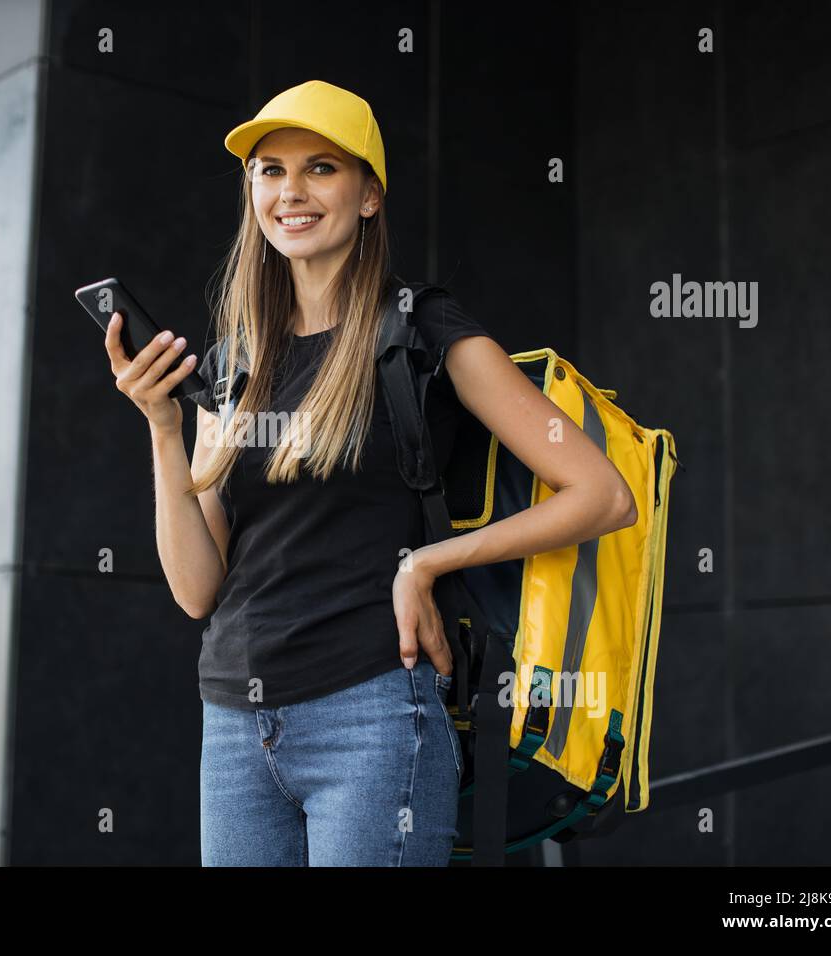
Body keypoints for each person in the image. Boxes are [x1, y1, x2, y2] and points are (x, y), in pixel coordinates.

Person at [103, 80, 637, 866]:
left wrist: (427, 563)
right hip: (234, 723)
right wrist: (161, 429)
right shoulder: (232, 364)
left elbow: (604, 493)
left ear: (369, 196)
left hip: (372, 716)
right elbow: (195, 592)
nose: (291, 191)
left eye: (321, 168)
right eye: (269, 170)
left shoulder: (422, 328)